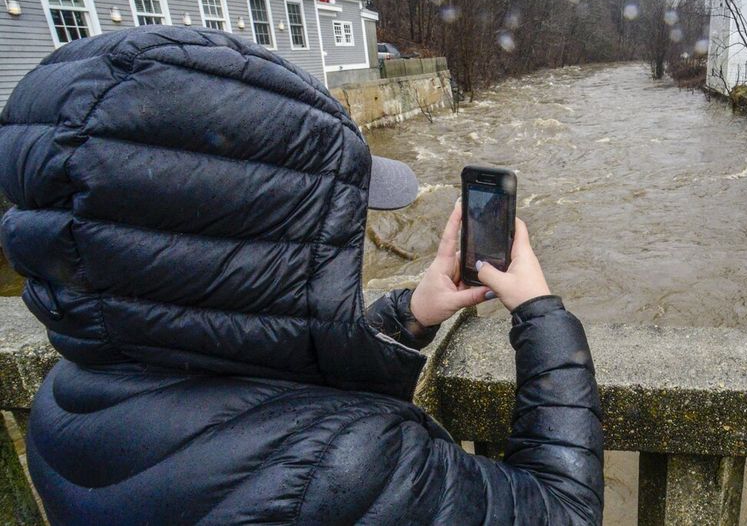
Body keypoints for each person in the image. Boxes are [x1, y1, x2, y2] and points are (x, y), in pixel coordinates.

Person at [0, 27, 603, 525]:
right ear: (258, 246)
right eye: (333, 221)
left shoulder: (64, 408)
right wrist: (540, 313)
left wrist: (409, 314)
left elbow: (248, 360)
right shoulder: (342, 464)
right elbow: (565, 512)